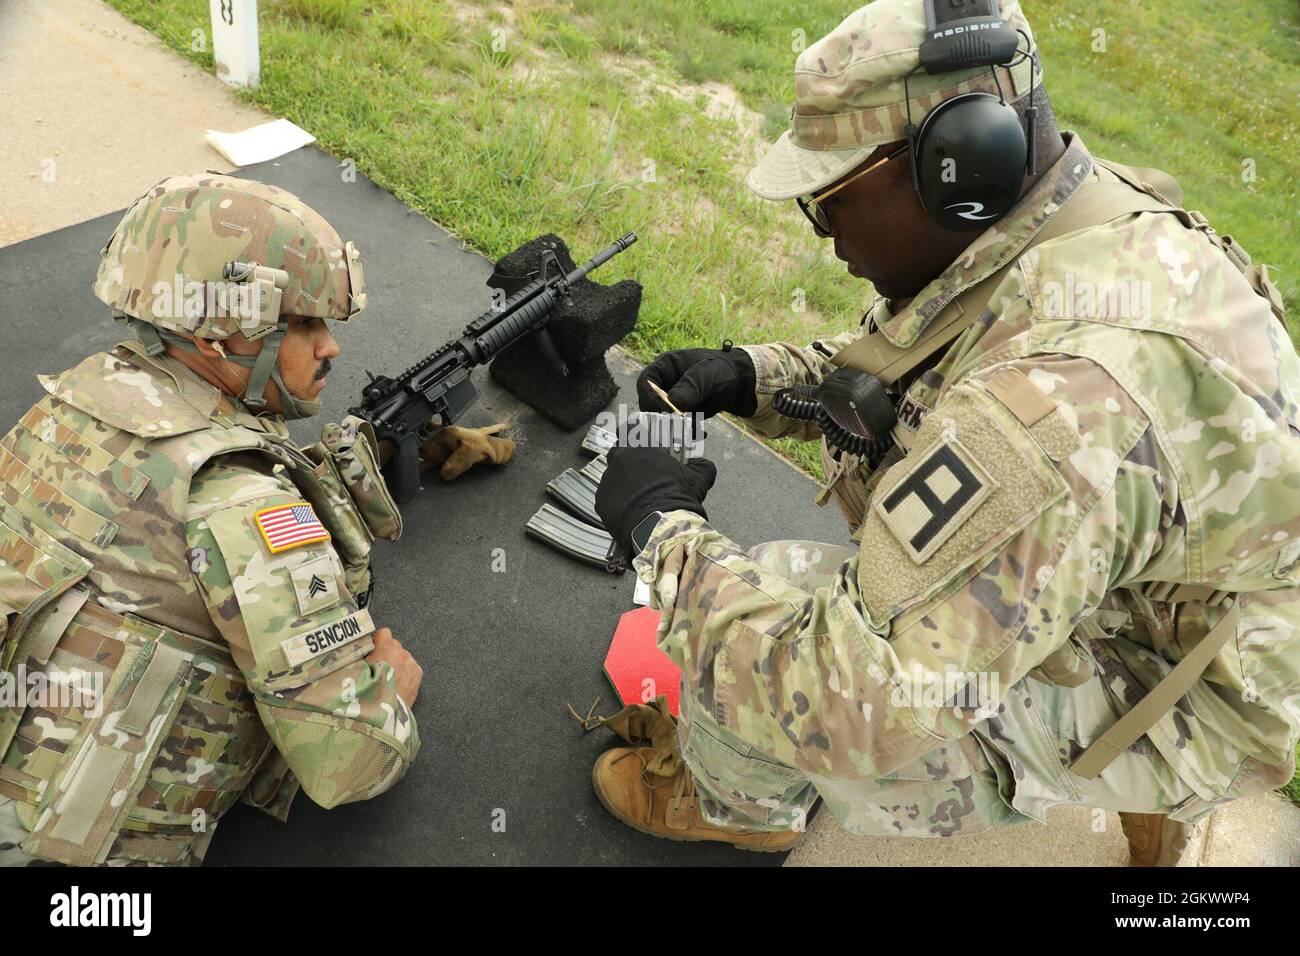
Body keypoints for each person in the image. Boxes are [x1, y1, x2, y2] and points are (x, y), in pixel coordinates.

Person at [593, 0, 1300, 865]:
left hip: (1198, 692)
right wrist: (753, 376)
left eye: (831, 200)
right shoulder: (1073, 222)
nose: (824, 232)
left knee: (777, 618)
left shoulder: (1065, 407)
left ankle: (741, 806)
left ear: (957, 165)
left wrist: (659, 529)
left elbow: (857, 700)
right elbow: (936, 358)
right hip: (1188, 606)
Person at [0, 173, 513, 865]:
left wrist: (351, 465)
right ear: (219, 338)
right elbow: (353, 764)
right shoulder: (240, 503)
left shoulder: (72, 401)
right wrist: (390, 686)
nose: (329, 346)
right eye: (302, 324)